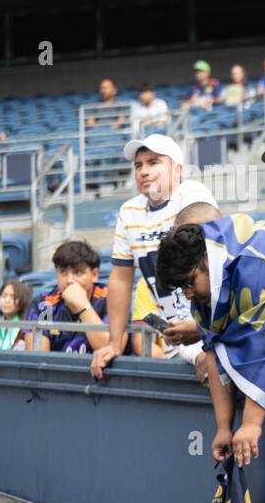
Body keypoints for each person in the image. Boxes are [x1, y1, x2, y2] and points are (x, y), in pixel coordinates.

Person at [156, 208, 265, 466]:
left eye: (188, 283)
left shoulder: (259, 266)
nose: (188, 294)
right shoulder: (209, 278)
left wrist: (250, 424)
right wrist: (223, 428)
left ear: (205, 259)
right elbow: (213, 348)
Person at [91, 134, 217, 379]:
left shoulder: (191, 193)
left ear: (177, 169)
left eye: (153, 162)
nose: (144, 171)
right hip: (177, 335)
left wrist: (205, 326)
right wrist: (114, 342)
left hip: (212, 322)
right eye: (138, 165)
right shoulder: (129, 211)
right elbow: (120, 279)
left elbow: (215, 263)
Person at [24, 241, 110, 354]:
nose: (69, 280)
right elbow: (38, 360)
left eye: (78, 273)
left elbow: (108, 349)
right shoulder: (43, 304)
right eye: (63, 273)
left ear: (94, 275)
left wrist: (82, 306)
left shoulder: (110, 299)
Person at [0, 279, 32, 351]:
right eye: (4, 295)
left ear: (23, 300)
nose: (7, 300)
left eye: (13, 297)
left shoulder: (27, 329)